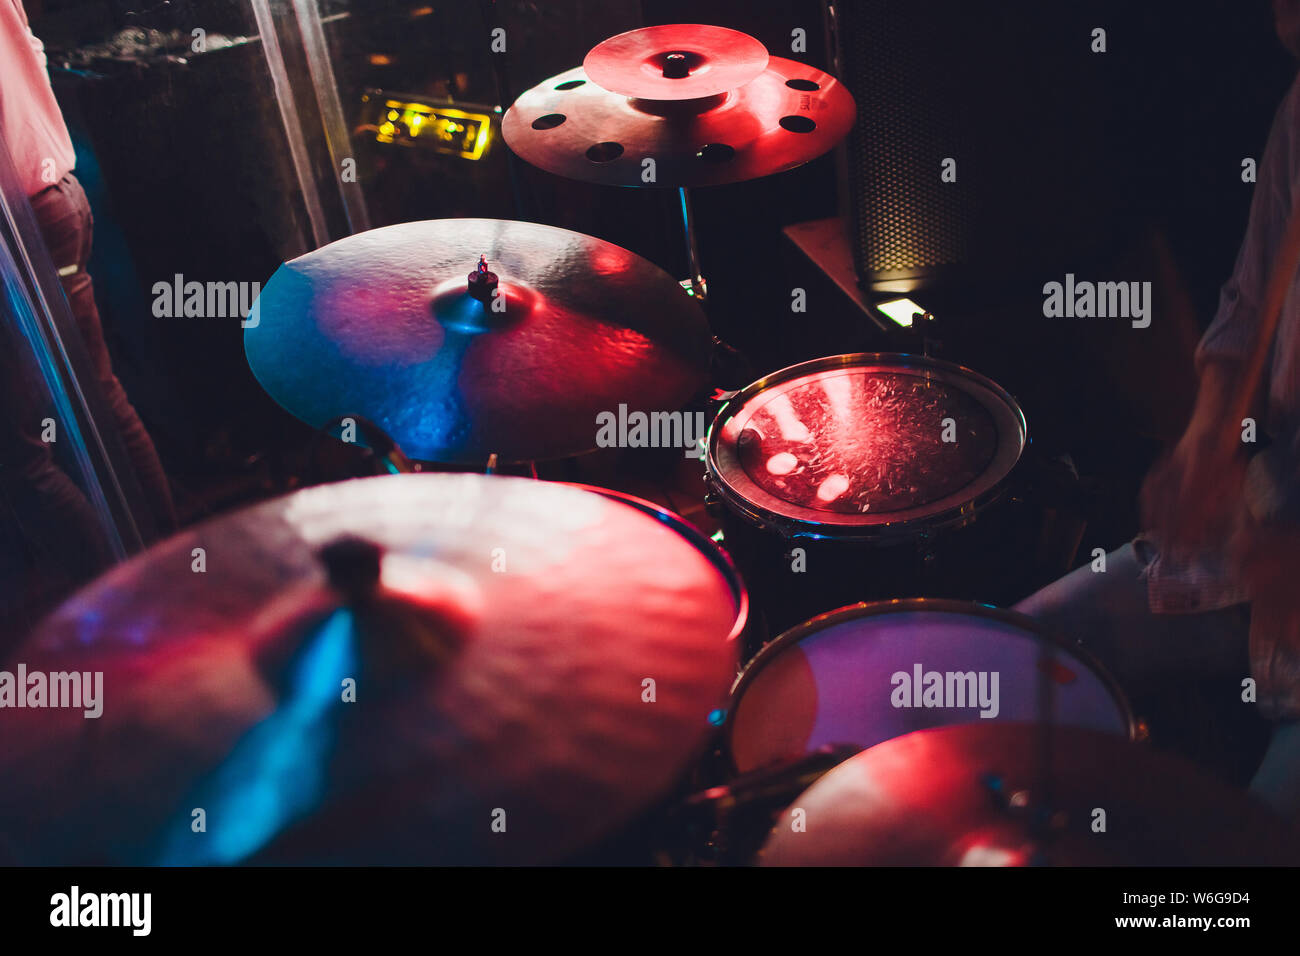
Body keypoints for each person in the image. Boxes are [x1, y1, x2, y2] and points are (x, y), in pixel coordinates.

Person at [1015, 0, 1300, 821]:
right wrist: (1207, 441)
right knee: (988, 662)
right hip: (1259, 540)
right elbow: (1247, 314)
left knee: (1225, 889)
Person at [0, 0, 175, 638]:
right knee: (97, 402)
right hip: (53, 197)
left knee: (22, 458)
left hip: (22, 221)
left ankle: (125, 616)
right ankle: (171, 580)